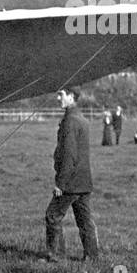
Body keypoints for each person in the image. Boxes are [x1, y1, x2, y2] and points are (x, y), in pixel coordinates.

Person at [44, 87, 99, 262]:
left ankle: (56, 257)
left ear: (71, 97)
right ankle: (92, 256)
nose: (57, 97)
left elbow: (69, 155)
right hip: (84, 181)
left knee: (52, 216)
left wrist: (60, 183)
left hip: (71, 182)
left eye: (61, 94)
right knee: (85, 221)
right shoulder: (81, 119)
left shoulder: (70, 121)